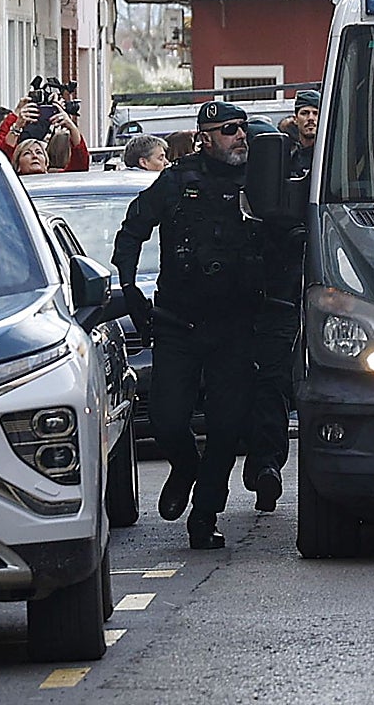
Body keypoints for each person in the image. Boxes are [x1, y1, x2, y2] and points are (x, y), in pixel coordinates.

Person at [112, 101, 266, 550]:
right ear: (205, 137)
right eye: (228, 130)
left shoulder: (259, 180)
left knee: (225, 426)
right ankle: (183, 466)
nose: (240, 137)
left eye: (241, 129)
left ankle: (205, 515)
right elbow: (133, 229)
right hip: (179, 321)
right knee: (166, 418)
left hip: (236, 324)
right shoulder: (177, 180)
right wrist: (129, 288)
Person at [240, 118, 306, 511]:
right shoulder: (209, 186)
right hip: (218, 314)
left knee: (269, 387)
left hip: (273, 307)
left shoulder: (285, 195)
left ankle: (266, 465)